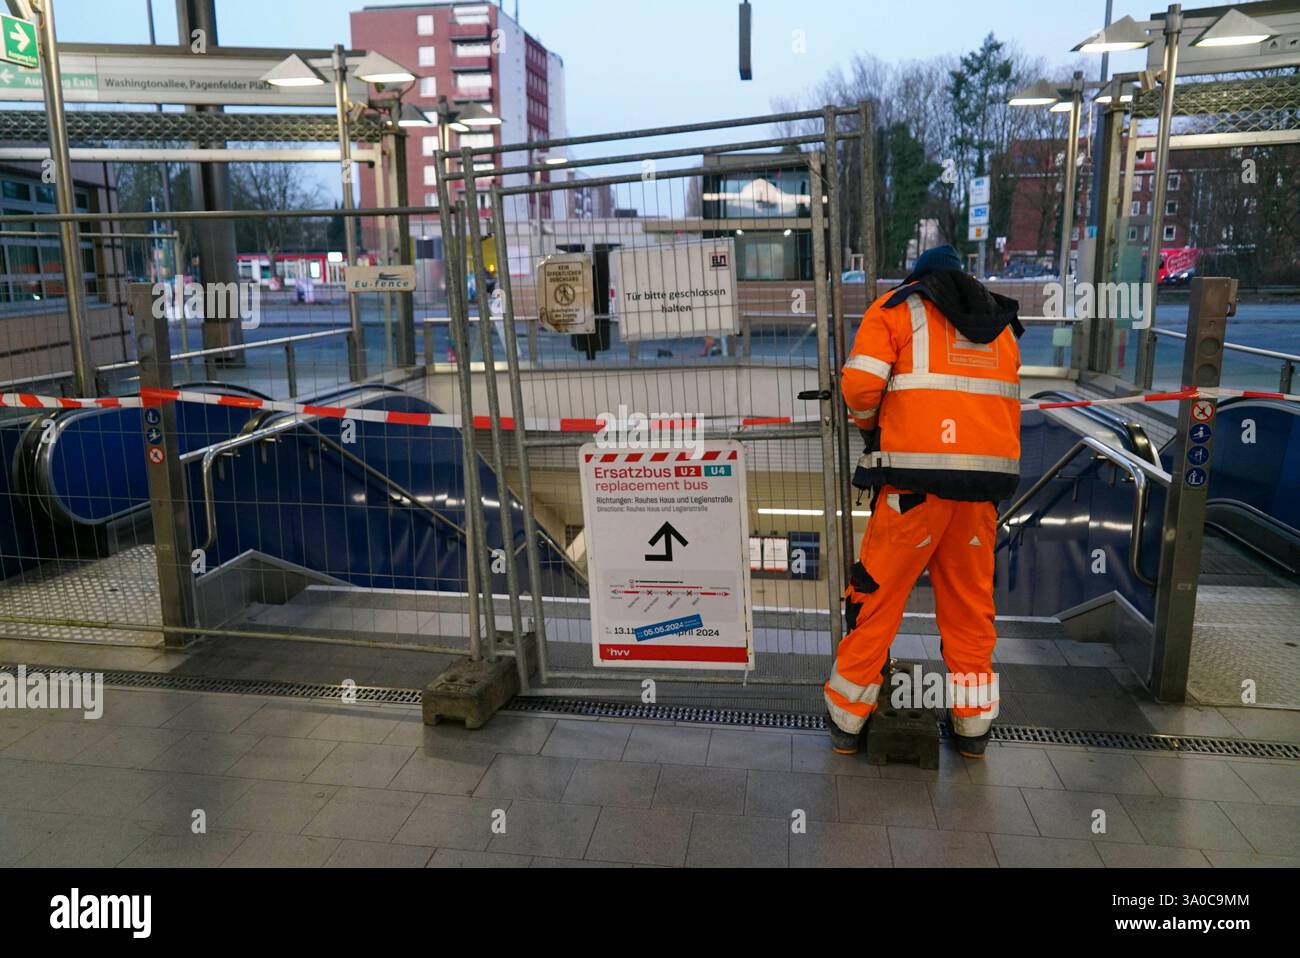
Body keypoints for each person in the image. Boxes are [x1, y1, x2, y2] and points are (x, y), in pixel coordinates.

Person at [824, 244, 1023, 758]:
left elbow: (861, 387)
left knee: (876, 597)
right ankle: (973, 727)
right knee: (970, 608)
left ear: (921, 277)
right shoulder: (1000, 325)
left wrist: (875, 432)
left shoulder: (897, 308)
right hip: (979, 496)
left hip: (913, 490)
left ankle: (848, 719)